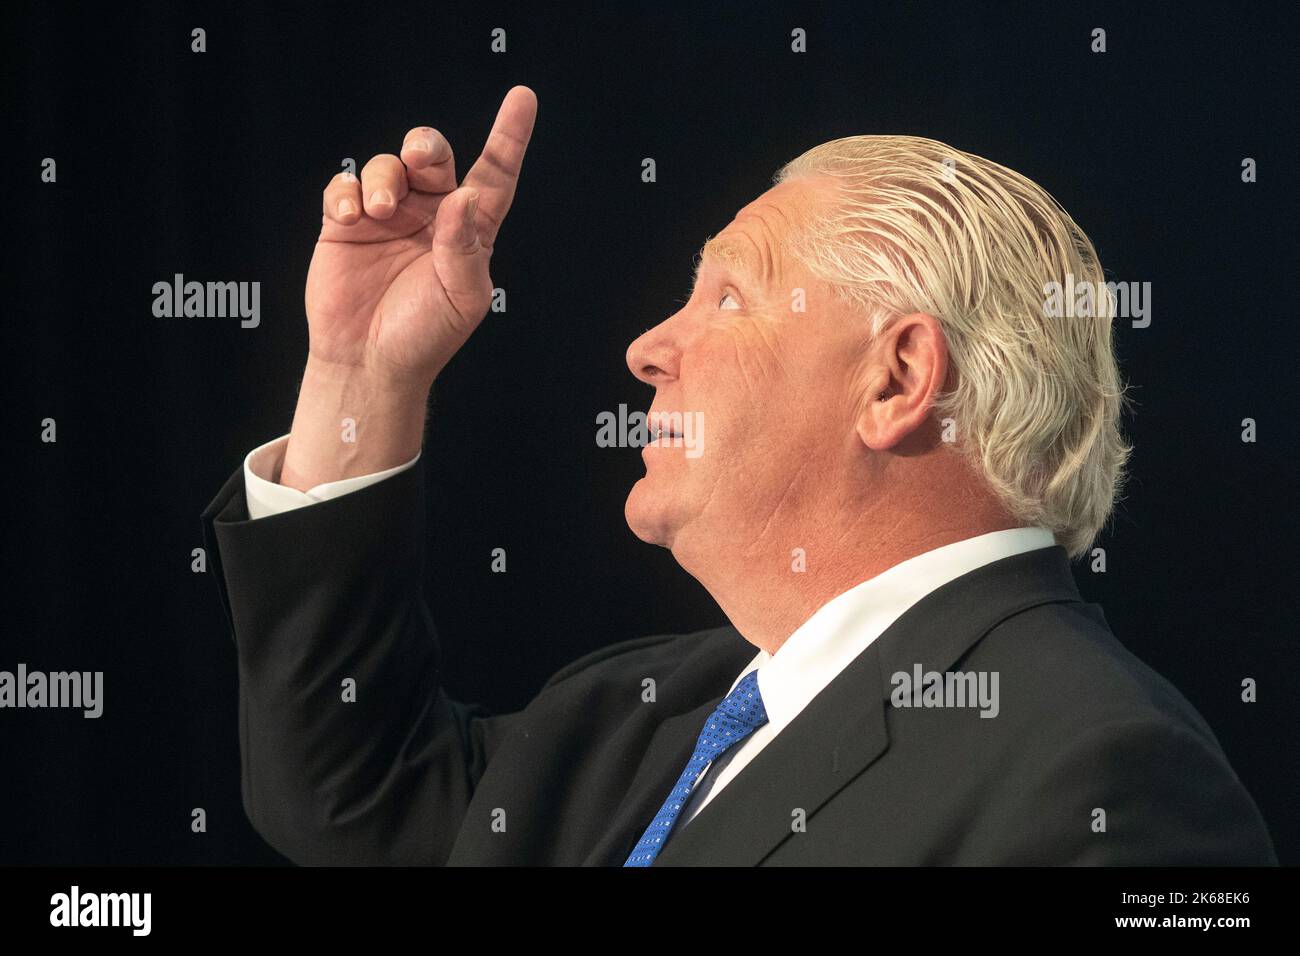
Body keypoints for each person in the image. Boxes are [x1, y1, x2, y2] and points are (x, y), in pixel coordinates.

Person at [202, 86, 1276, 866]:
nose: (646, 347)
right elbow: (344, 792)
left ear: (897, 378)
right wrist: (359, 371)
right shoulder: (641, 715)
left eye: (725, 297)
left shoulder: (1105, 776)